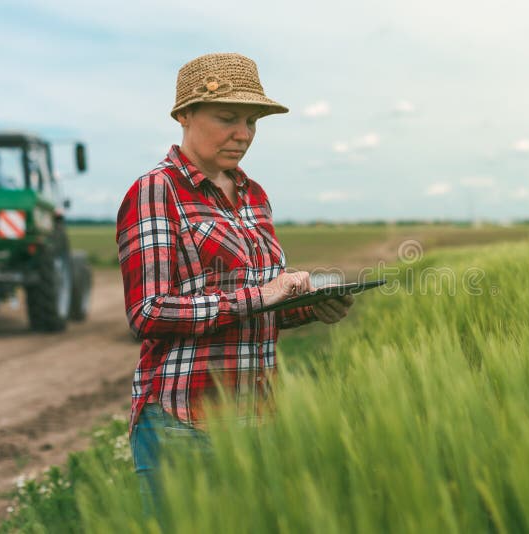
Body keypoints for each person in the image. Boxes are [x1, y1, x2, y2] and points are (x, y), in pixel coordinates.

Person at [116, 52, 354, 519]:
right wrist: (261, 295)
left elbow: (258, 311)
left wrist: (308, 306)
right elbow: (147, 312)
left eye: (251, 121)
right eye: (227, 118)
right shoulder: (156, 191)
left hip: (260, 422)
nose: (243, 134)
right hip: (184, 425)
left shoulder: (254, 195)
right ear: (184, 115)